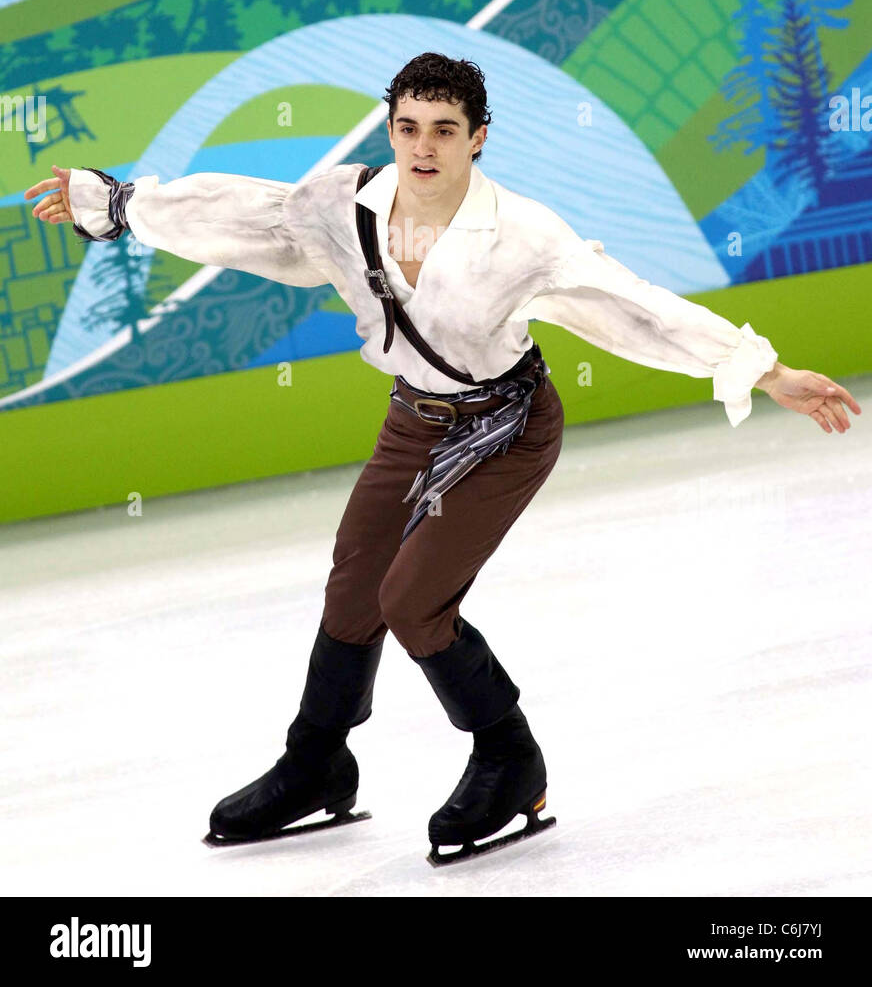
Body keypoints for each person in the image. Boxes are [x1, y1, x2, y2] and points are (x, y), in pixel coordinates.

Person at [24, 53, 860, 865]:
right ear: (390, 129)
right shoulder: (344, 205)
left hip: (509, 426)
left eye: (445, 130)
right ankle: (317, 761)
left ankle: (509, 760)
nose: (423, 147)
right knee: (355, 582)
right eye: (408, 127)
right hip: (413, 420)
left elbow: (632, 309)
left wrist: (762, 369)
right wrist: (121, 203)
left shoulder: (524, 236)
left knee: (411, 600)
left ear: (478, 137)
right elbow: (248, 214)